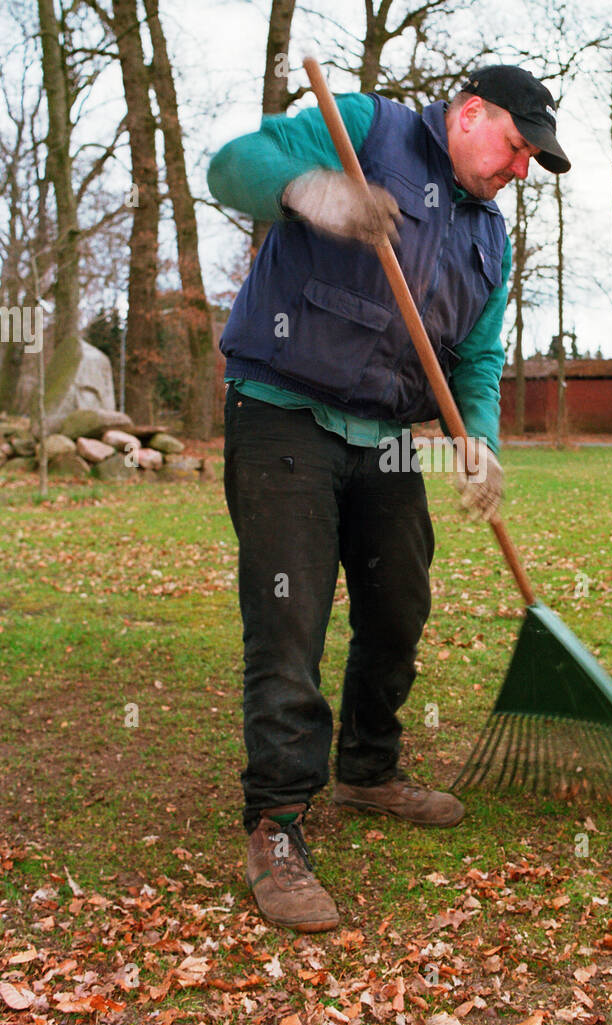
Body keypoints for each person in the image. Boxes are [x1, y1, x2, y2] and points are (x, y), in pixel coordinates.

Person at [207, 64, 570, 932]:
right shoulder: (366, 130)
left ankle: (368, 770)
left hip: (390, 438)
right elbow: (230, 166)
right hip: (284, 414)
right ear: (470, 113)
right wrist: (308, 189)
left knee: (398, 606)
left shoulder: (489, 234)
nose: (518, 170)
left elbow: (476, 354)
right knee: (290, 615)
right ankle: (277, 823)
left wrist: (475, 438)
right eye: (516, 149)